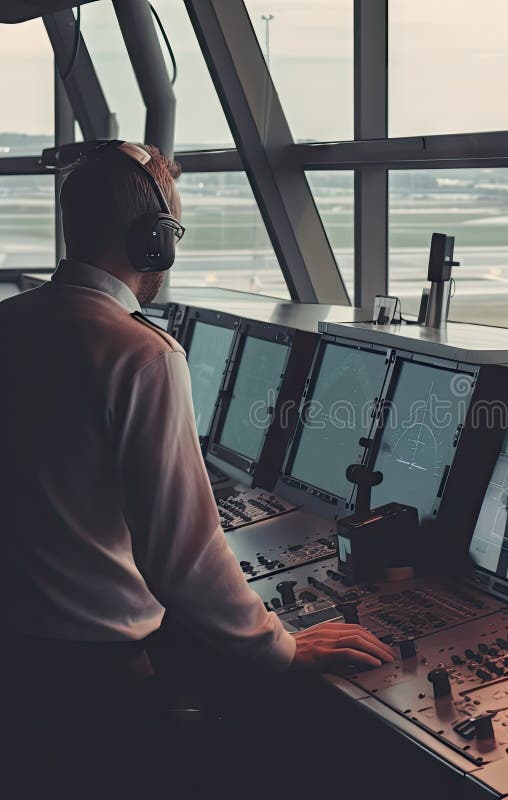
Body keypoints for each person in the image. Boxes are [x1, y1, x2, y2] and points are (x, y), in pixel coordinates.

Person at [0, 142, 393, 795]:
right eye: (172, 230)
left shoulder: (11, 322)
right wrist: (283, 647)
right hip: (96, 687)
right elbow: (181, 557)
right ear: (154, 241)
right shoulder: (141, 354)